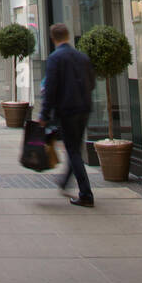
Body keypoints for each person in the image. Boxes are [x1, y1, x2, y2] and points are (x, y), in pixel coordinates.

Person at [39, 22, 96, 207]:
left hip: (67, 110)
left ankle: (86, 193)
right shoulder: (82, 57)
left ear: (53, 38)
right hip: (84, 108)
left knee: (73, 150)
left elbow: (50, 89)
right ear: (68, 36)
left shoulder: (55, 59)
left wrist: (44, 114)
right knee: (75, 148)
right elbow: (92, 83)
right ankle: (65, 182)